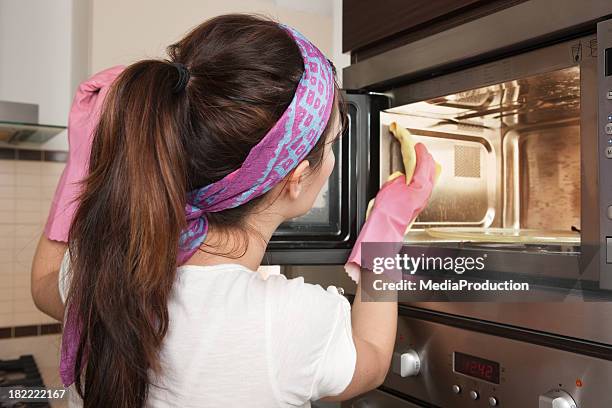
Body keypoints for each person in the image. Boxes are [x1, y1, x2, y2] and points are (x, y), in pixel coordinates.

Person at [30, 14, 435, 408]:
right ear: (295, 177)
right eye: (329, 144)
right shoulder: (291, 322)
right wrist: (385, 232)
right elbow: (374, 358)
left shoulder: (105, 272)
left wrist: (83, 163)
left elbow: (44, 283)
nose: (331, 159)